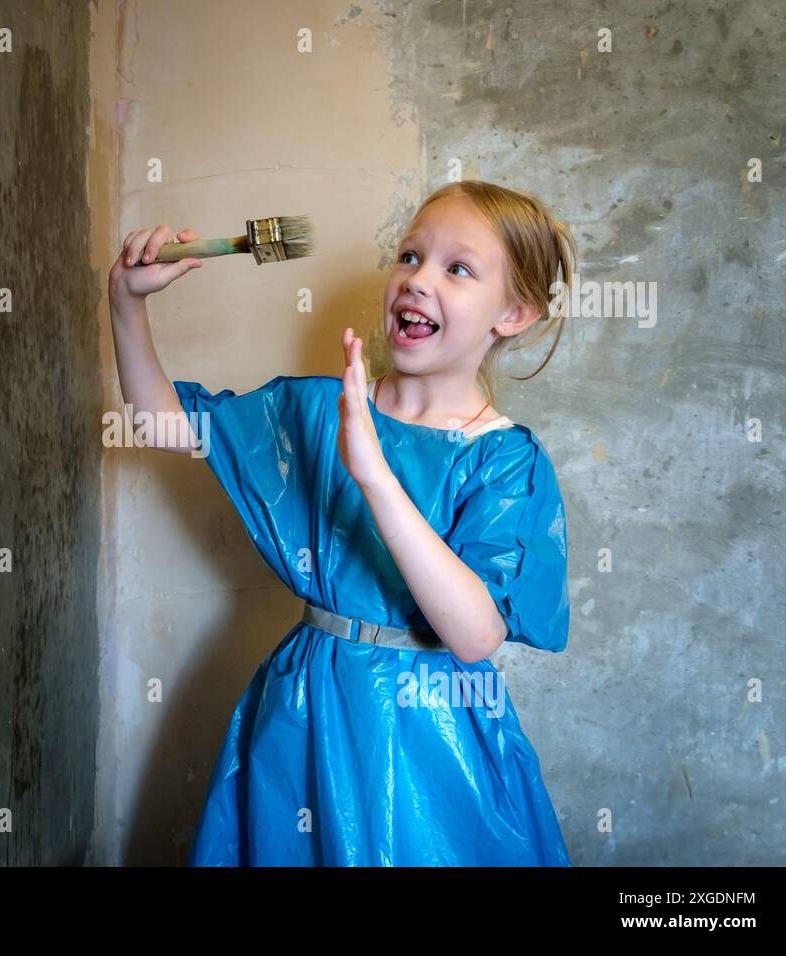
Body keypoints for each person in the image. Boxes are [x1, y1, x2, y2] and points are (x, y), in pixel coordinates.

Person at [107, 180, 576, 866]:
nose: (418, 280)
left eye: (458, 268)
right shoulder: (316, 411)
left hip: (431, 732)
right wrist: (124, 302)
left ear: (514, 313)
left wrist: (374, 475)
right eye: (411, 256)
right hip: (304, 709)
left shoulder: (507, 461)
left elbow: (475, 636)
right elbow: (157, 422)